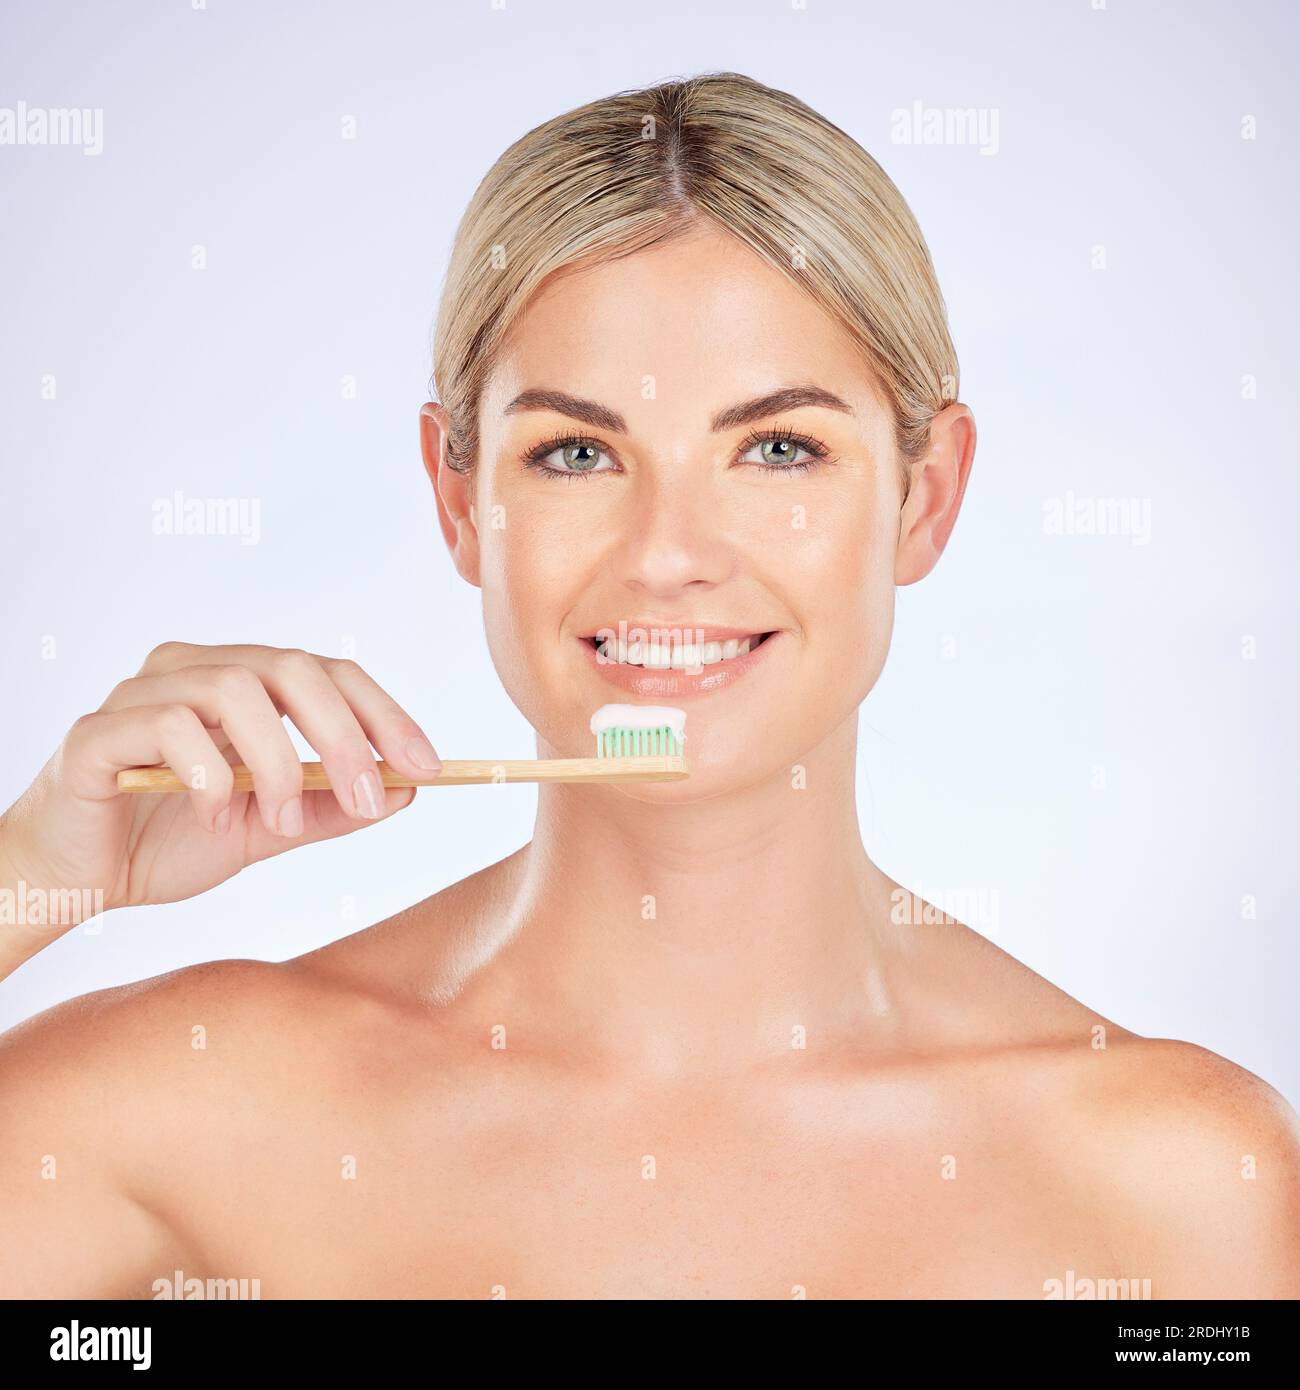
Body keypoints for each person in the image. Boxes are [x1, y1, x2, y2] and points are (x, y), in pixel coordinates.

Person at [1, 72, 1296, 1299]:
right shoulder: (182, 1109)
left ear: (926, 497)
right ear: (460, 502)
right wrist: (35, 872)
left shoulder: (1173, 1185)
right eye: (576, 452)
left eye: (778, 447)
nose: (670, 553)